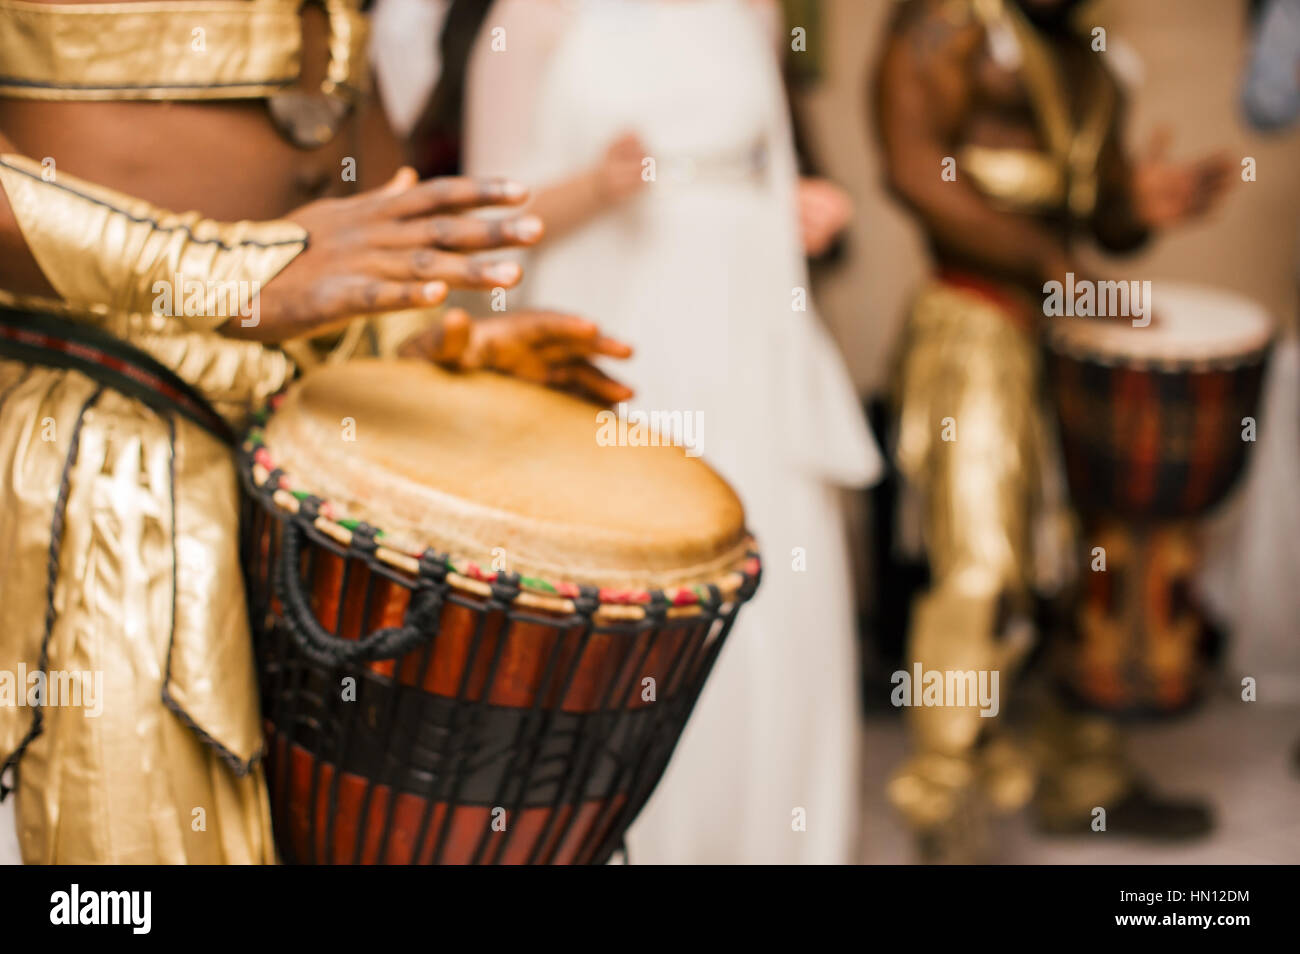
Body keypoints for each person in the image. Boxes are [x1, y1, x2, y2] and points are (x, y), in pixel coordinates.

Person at [0, 0, 631, 864]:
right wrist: (222, 276)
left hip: (304, 432)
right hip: (98, 435)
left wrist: (429, 334)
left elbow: (349, 193)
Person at [464, 0, 881, 864]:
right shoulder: (526, 17)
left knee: (772, 583)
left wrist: (800, 205)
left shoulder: (754, 10)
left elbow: (762, 164)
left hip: (750, 336)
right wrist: (593, 187)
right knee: (637, 602)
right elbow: (479, 238)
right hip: (617, 341)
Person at [874, 0, 1230, 860]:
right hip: (974, 322)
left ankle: (1085, 779)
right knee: (983, 566)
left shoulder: (1092, 60)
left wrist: (1143, 204)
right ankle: (945, 799)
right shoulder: (948, 25)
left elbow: (1102, 213)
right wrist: (1057, 271)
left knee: (1087, 555)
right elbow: (917, 174)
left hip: (1066, 336)